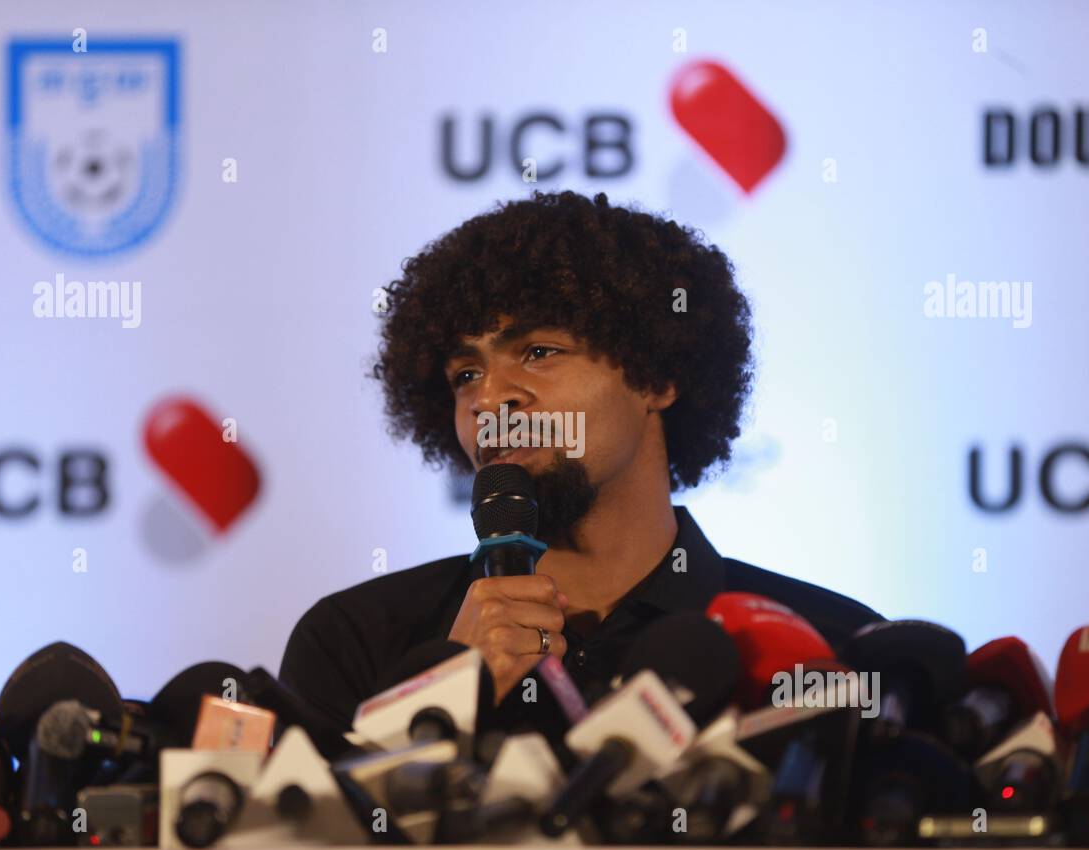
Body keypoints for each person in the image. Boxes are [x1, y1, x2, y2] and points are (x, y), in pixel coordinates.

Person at [280, 190, 880, 746]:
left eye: (539, 353)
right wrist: (442, 701)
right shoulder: (353, 641)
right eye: (465, 375)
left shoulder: (835, 647)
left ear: (657, 376)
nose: (489, 400)